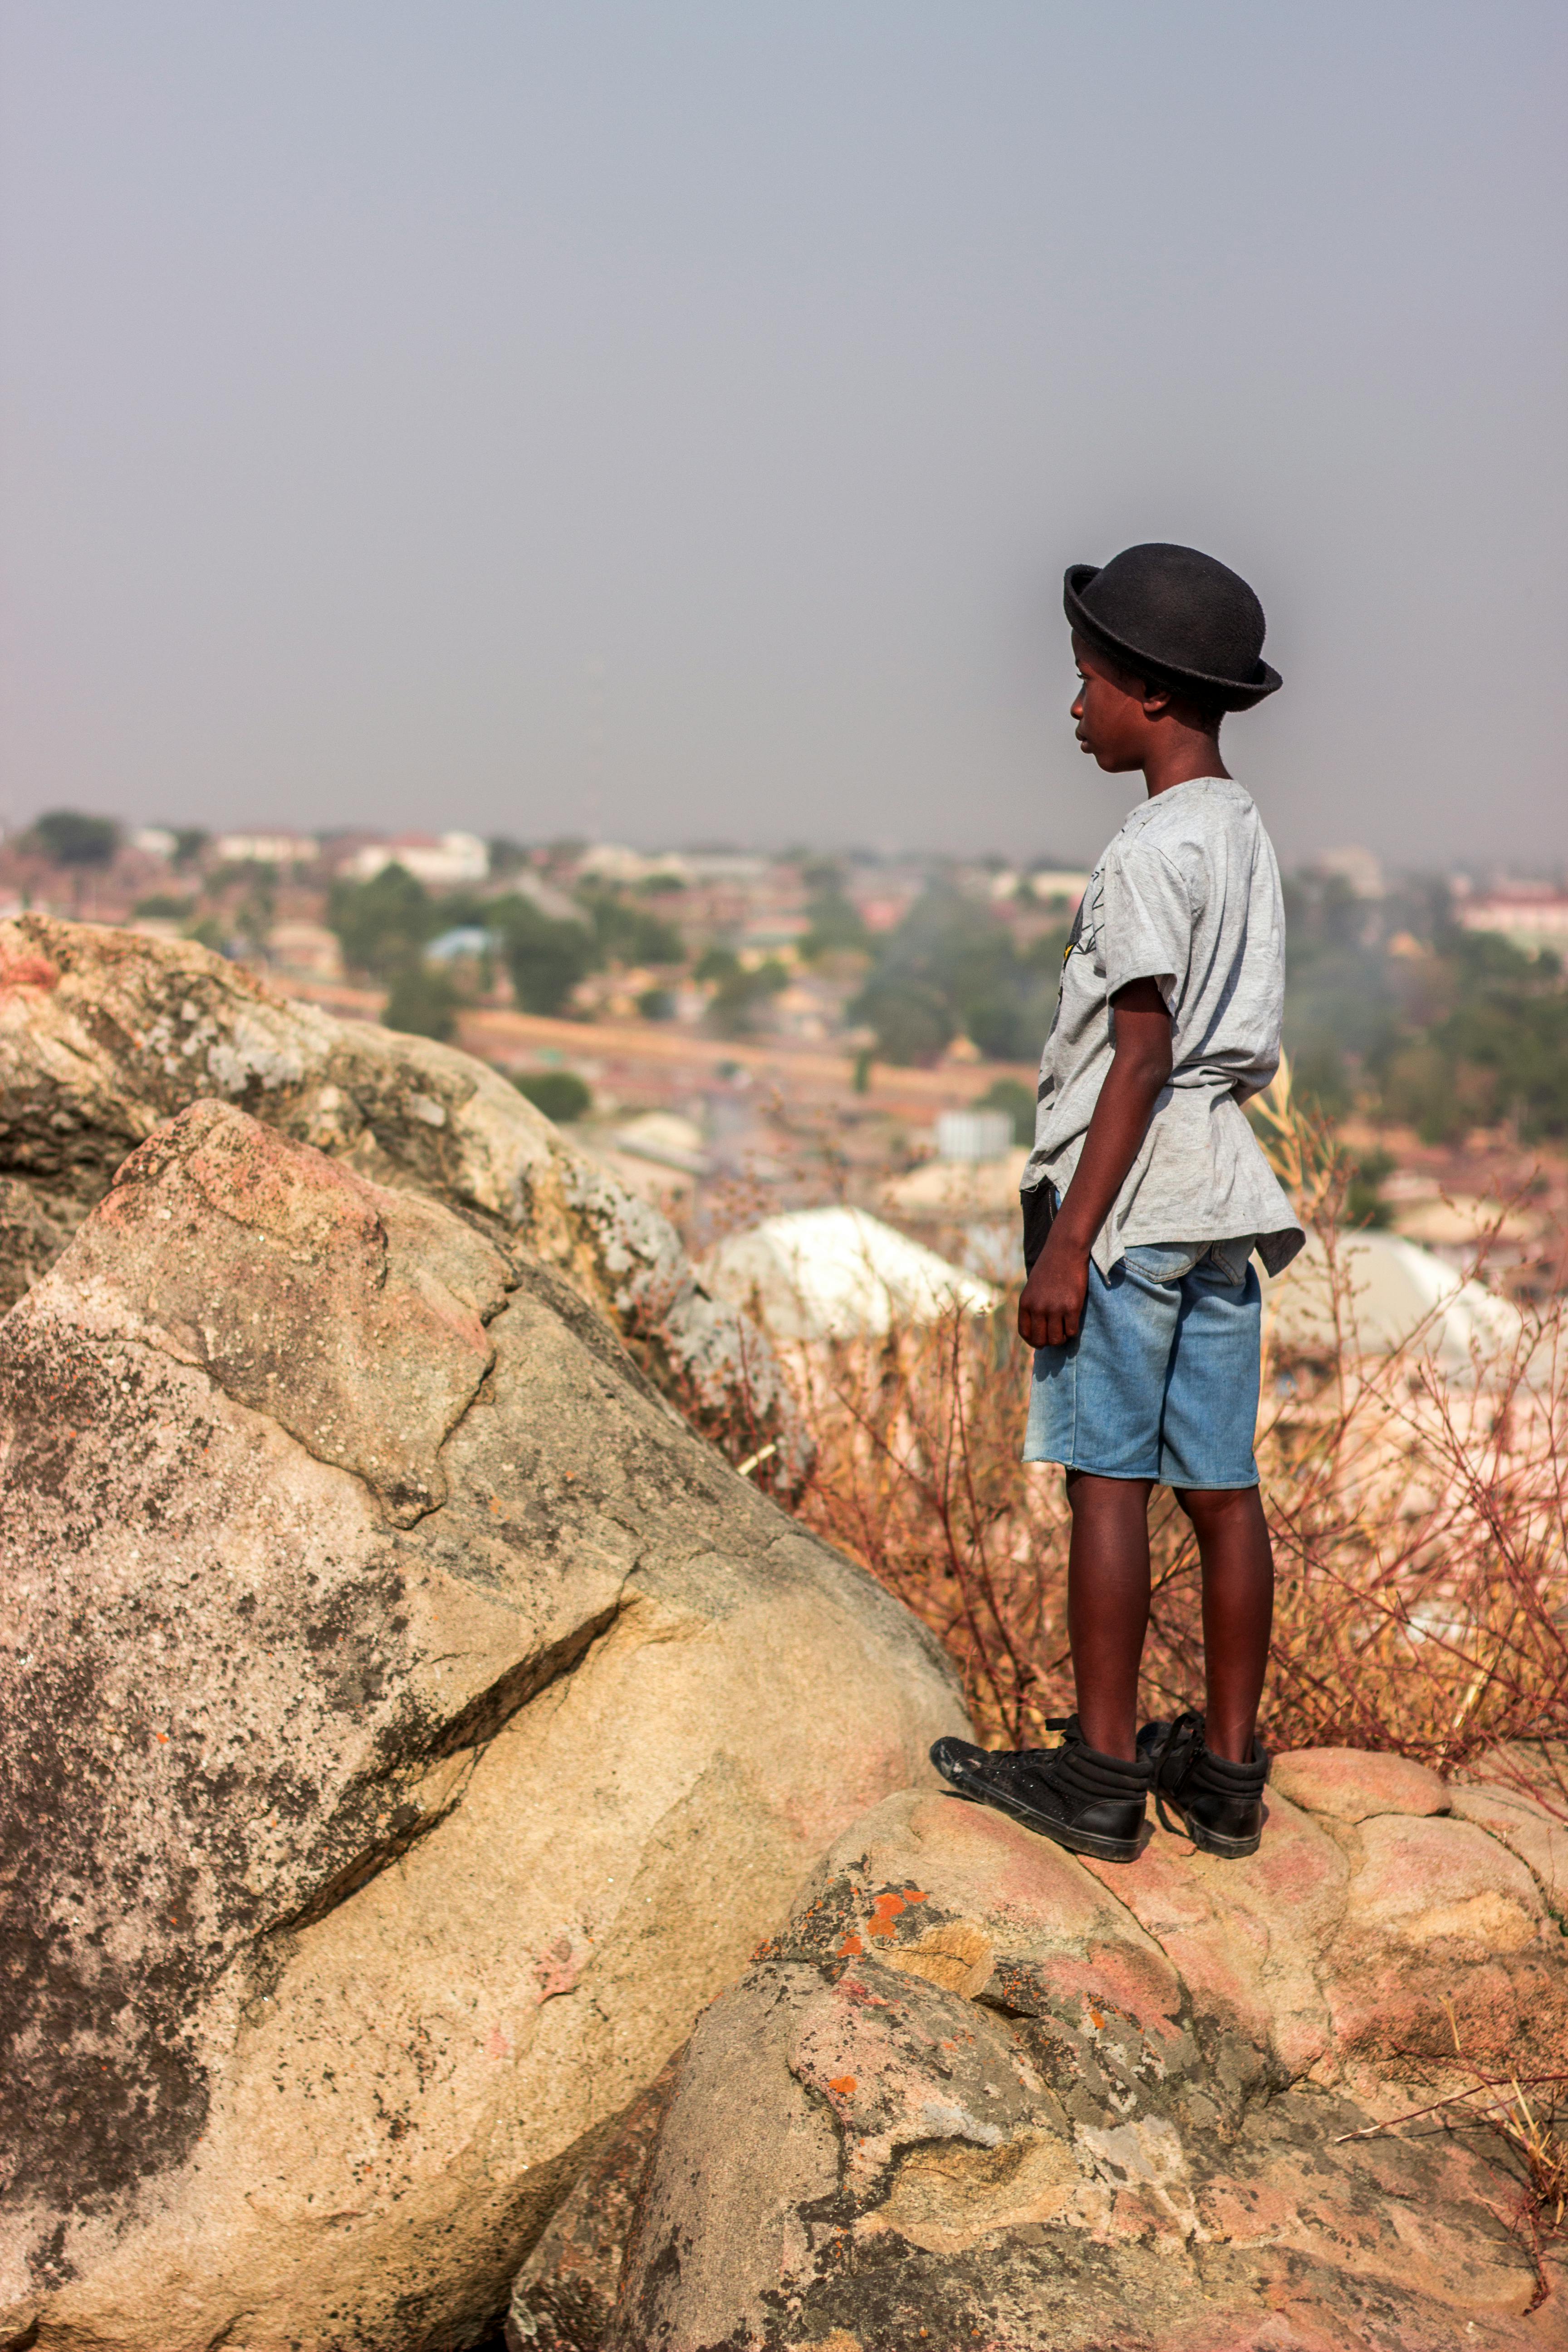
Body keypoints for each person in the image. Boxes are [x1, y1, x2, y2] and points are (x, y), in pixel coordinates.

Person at [932, 542, 1303, 1865]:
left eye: (1086, 682)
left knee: (1106, 1484)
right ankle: (1228, 1774)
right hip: (1223, 1196)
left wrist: (1067, 1246)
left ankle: (1096, 1775)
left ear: (1147, 693)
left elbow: (1135, 1061)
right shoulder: (1242, 830)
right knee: (1223, 1490)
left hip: (1133, 1199)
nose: (1073, 706)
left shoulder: (1150, 849)